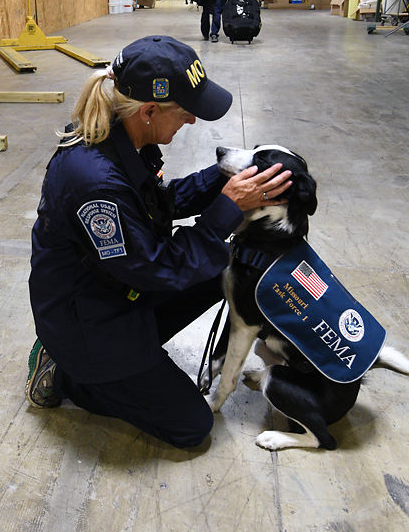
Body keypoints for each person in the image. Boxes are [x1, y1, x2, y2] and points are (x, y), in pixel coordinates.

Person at [26, 35, 292, 449]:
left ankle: (134, 359)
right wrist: (225, 210)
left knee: (221, 270)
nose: (192, 122)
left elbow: (158, 206)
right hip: (90, 324)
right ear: (149, 110)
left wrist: (225, 181)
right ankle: (67, 373)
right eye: (186, 113)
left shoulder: (126, 136)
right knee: (192, 426)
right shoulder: (94, 182)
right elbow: (155, 268)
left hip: (115, 291)